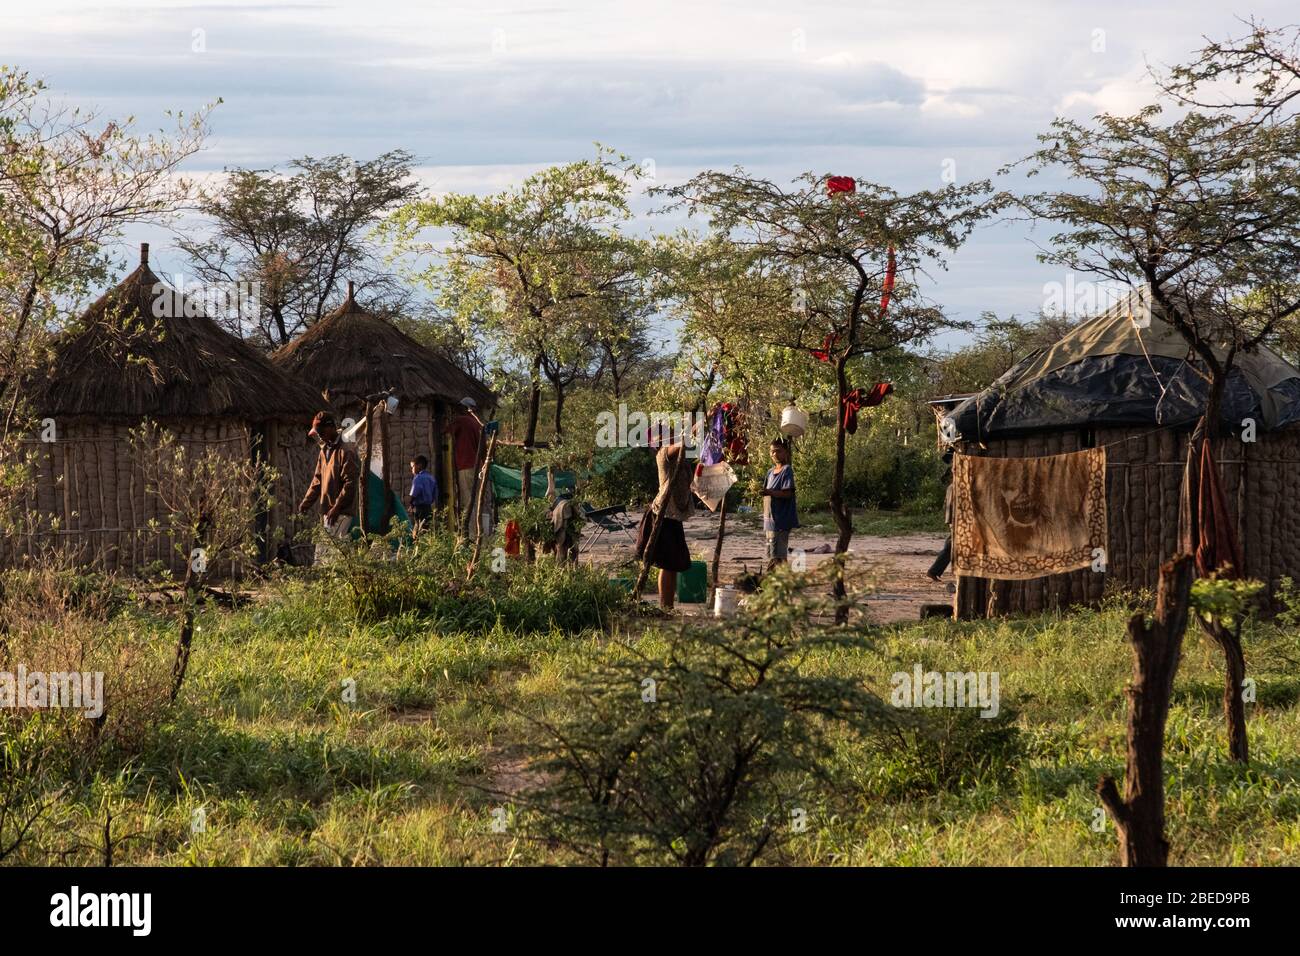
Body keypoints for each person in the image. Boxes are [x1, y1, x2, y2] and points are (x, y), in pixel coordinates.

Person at [634, 440, 694, 610]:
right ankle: (665, 607)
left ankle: (667, 607)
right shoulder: (664, 454)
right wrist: (699, 422)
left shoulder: (677, 458)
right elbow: (684, 441)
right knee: (668, 564)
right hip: (663, 514)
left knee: (672, 564)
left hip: (672, 515)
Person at [298, 411, 359, 564]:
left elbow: (350, 483)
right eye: (317, 433)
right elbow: (317, 480)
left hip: (341, 511)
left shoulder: (346, 450)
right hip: (328, 510)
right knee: (334, 554)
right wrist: (306, 502)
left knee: (324, 553)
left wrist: (336, 507)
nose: (320, 435)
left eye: (321, 432)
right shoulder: (324, 450)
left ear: (331, 427)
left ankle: (323, 584)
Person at [761, 437, 799, 570]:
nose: (775, 454)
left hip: (781, 520)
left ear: (786, 452)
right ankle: (776, 581)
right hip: (770, 520)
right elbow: (766, 492)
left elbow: (787, 493)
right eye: (772, 452)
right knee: (772, 552)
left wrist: (769, 492)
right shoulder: (770, 472)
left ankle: (778, 581)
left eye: (778, 451)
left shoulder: (787, 470)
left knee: (779, 554)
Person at [449, 397, 484, 520]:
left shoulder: (461, 421)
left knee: (467, 501)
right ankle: (480, 533)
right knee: (477, 500)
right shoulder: (476, 423)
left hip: (465, 465)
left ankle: (471, 534)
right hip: (477, 466)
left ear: (464, 408)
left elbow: (446, 432)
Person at [927, 450, 955, 581]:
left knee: (951, 545)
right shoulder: (955, 487)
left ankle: (935, 571)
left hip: (953, 519)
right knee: (951, 545)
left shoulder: (951, 487)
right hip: (957, 520)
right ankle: (934, 571)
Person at [409, 455, 438, 531]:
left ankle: (417, 542)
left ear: (419, 465)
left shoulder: (418, 478)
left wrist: (411, 504)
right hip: (428, 508)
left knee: (418, 527)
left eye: (413, 467)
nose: (412, 469)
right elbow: (435, 494)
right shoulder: (431, 478)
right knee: (427, 528)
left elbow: (414, 493)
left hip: (419, 508)